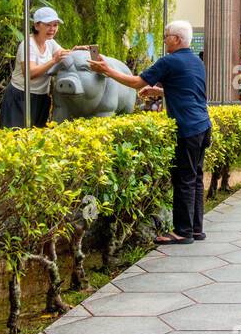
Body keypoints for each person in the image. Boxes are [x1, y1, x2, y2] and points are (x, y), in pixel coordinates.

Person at [89, 20, 211, 245]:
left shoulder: (169, 61)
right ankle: (195, 229)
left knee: (184, 178)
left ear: (176, 39)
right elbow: (189, 90)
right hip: (203, 125)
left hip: (186, 127)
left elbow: (136, 82)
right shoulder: (196, 60)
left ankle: (182, 232)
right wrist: (161, 90)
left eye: (166, 36)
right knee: (195, 178)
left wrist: (107, 70)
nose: (164, 40)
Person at [0, 6, 69, 128]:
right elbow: (29, 73)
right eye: (48, 25)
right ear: (37, 26)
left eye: (55, 25)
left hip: (41, 97)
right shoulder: (27, 45)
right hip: (21, 96)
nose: (52, 29)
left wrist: (78, 51)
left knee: (36, 137)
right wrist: (53, 61)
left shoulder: (50, 42)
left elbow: (64, 54)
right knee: (15, 137)